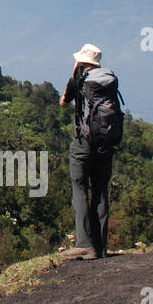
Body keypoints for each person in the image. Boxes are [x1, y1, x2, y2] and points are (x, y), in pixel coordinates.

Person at [59, 43, 114, 260]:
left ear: (82, 62)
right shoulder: (108, 80)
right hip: (106, 143)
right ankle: (100, 247)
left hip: (83, 144)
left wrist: (74, 74)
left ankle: (84, 244)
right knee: (100, 191)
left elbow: (64, 102)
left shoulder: (79, 79)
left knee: (79, 188)